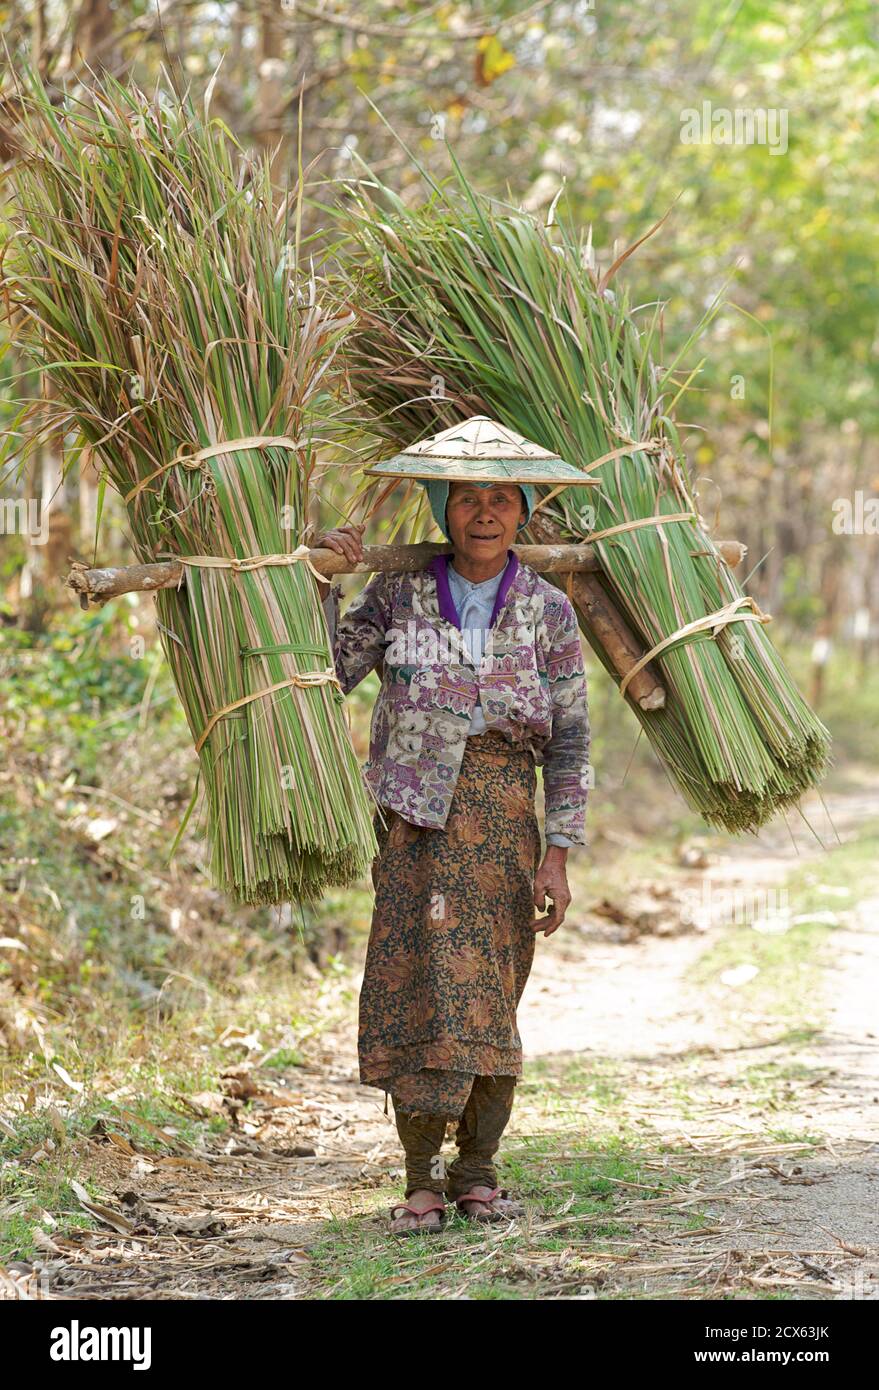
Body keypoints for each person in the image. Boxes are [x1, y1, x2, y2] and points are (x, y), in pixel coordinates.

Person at [315, 474, 590, 1234]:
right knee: (414, 989)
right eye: (467, 498)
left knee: (487, 997)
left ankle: (476, 1172)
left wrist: (558, 854)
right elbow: (326, 674)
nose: (485, 514)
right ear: (442, 510)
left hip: (503, 825)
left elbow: (568, 741)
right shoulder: (398, 592)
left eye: (503, 500)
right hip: (411, 825)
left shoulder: (549, 610)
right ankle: (419, 1180)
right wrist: (321, 582)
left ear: (523, 514)